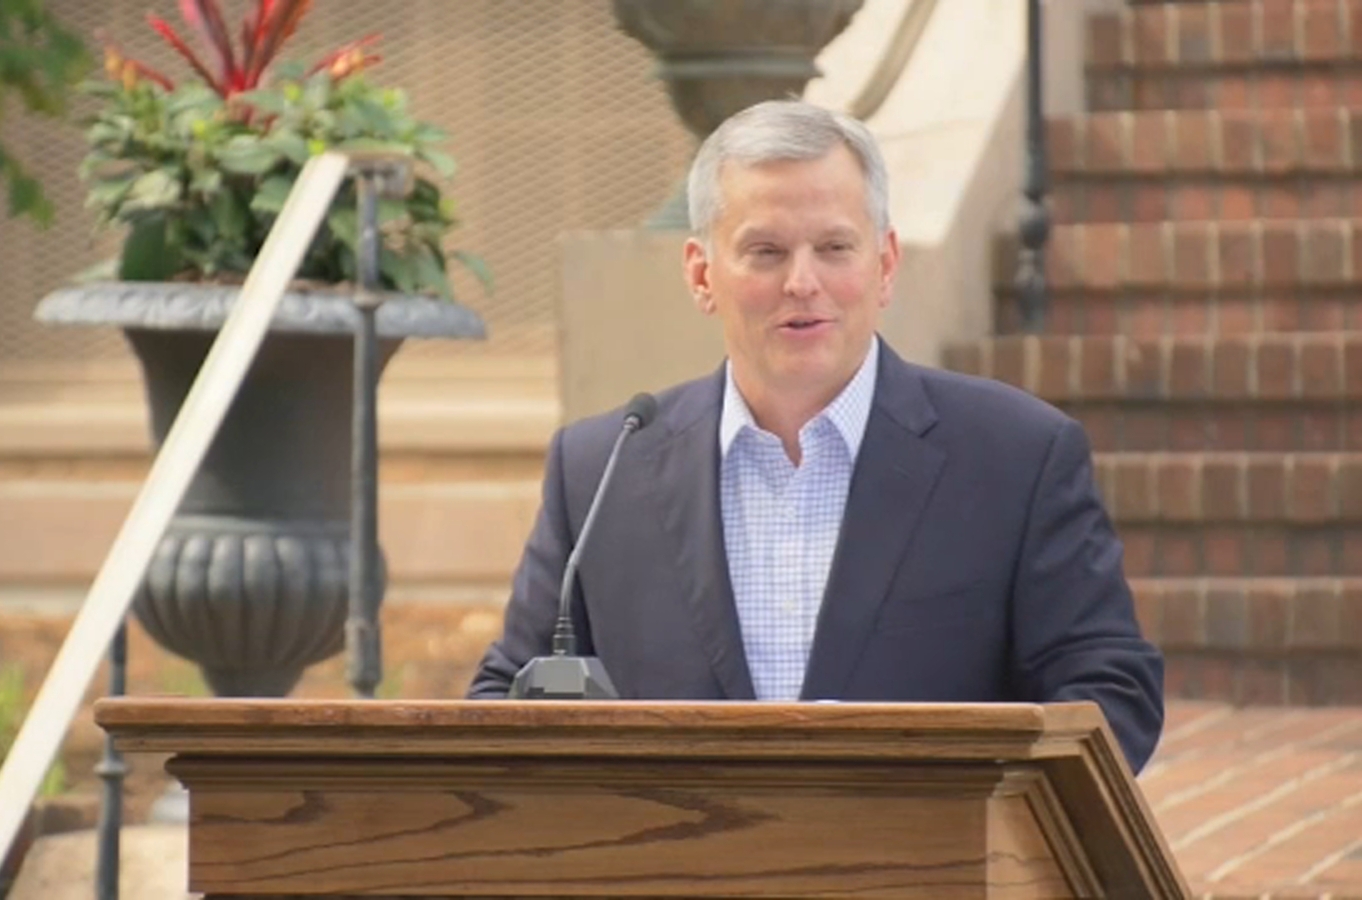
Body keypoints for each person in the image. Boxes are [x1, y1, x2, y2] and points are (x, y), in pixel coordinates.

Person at [468, 99, 1163, 771]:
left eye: (834, 247)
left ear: (884, 265)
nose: (803, 282)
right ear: (701, 273)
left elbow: (1109, 692)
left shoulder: (1017, 456)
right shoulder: (600, 470)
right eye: (765, 251)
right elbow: (505, 697)